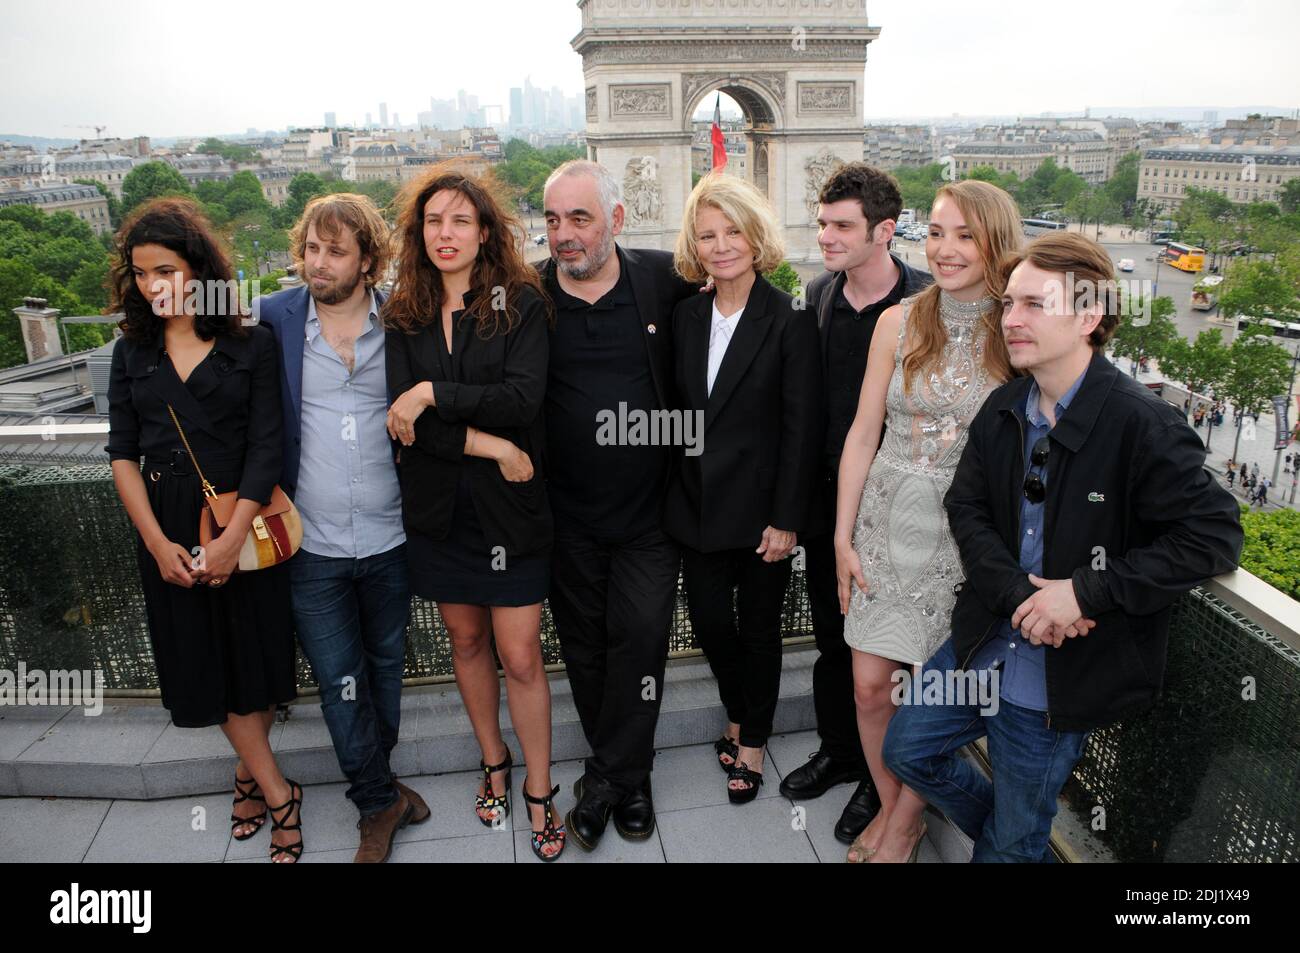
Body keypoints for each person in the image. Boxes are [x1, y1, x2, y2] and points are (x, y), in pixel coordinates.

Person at [884, 232, 1242, 862]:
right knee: (908, 751)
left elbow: (1213, 536)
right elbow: (965, 507)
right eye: (1009, 303)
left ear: (1090, 316)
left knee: (1008, 839)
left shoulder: (1143, 423)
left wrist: (1084, 593)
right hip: (984, 644)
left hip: (1059, 681)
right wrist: (1024, 597)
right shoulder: (1005, 406)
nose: (1011, 319)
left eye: (1033, 305)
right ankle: (1018, 843)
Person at [106, 197, 303, 862]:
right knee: (203, 663)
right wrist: (158, 544)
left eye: (166, 269)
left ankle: (251, 776)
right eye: (139, 273)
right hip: (165, 525)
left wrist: (227, 539)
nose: (152, 285)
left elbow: (266, 449)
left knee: (256, 661)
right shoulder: (130, 352)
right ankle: (280, 792)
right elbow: (121, 455)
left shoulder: (252, 344)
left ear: (199, 269)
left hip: (241, 520)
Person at [835, 180, 1023, 863]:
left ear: (996, 241)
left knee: (926, 694)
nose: (945, 249)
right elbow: (862, 433)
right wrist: (840, 536)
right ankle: (895, 813)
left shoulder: (1019, 330)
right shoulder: (898, 321)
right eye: (937, 231)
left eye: (965, 235)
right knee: (868, 684)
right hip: (883, 523)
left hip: (964, 538)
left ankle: (902, 825)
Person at [384, 165, 564, 861]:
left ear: (485, 229)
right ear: (419, 232)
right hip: (440, 514)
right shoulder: (404, 309)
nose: (446, 233)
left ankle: (540, 787)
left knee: (519, 653)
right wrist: (489, 444)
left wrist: (432, 388)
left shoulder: (519, 300)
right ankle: (494, 759)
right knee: (466, 643)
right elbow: (405, 426)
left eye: (461, 220)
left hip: (511, 516)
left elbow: (524, 399)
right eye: (434, 221)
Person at [257, 193, 429, 863]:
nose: (317, 262)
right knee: (338, 678)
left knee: (385, 668)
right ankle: (375, 804)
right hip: (312, 542)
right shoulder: (273, 319)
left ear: (368, 261)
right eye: (310, 248)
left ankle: (379, 787)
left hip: (392, 534)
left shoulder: (405, 320)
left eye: (334, 251)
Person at [539, 160, 698, 852]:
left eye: (580, 218)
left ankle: (609, 778)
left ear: (617, 220)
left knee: (639, 642)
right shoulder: (526, 294)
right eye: (551, 220)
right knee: (585, 650)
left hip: (650, 516)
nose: (564, 235)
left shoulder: (666, 280)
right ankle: (628, 781)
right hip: (563, 517)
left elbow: (742, 320)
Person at [779, 162, 933, 844]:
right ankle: (840, 750)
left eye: (841, 225)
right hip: (829, 509)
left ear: (885, 232)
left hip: (908, 515)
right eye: (822, 222)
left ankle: (883, 782)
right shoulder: (817, 296)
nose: (824, 235)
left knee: (891, 659)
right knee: (832, 639)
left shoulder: (930, 303)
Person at [664, 173, 822, 803]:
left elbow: (800, 431)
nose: (721, 244)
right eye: (708, 234)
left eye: (733, 231)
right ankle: (739, 712)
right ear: (694, 245)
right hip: (697, 509)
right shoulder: (685, 314)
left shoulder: (789, 321)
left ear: (756, 238)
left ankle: (750, 741)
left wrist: (787, 520)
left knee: (758, 631)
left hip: (762, 517)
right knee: (709, 625)